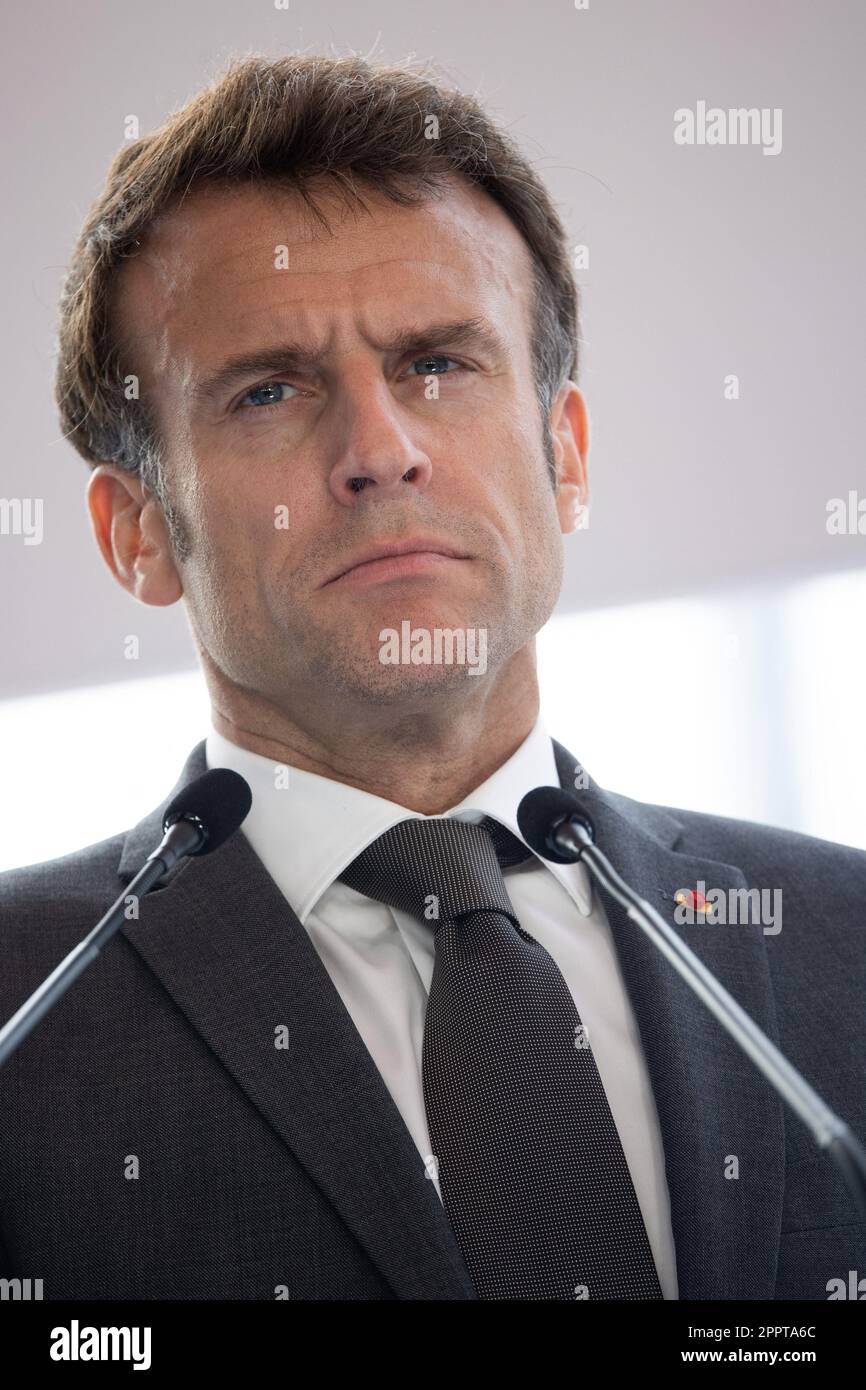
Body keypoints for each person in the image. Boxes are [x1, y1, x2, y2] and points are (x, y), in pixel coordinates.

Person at [0, 52, 863, 1302]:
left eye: (439, 365)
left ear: (563, 455)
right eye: (269, 390)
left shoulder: (845, 939)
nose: (380, 449)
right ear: (138, 531)